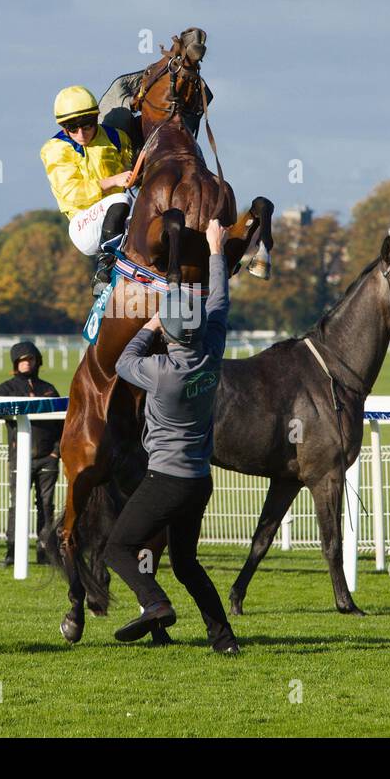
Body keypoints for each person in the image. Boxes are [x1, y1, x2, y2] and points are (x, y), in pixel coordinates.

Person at [105, 218, 239, 654]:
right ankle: (223, 640)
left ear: (170, 332)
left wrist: (150, 326)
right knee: (186, 563)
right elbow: (219, 300)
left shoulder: (163, 373)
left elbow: (123, 362)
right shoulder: (212, 351)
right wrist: (216, 252)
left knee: (118, 548)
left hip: (165, 480)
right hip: (199, 480)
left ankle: (155, 603)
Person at [40, 85, 136, 296]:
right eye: (72, 128)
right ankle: (103, 269)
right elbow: (73, 194)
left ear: (96, 118)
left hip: (121, 218)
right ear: (63, 127)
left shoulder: (118, 138)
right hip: (83, 225)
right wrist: (112, 181)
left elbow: (131, 172)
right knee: (120, 199)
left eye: (87, 125)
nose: (81, 134)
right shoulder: (55, 149)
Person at [0, 340, 62, 567]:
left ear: (37, 361)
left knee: (46, 505)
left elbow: (63, 424)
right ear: (15, 363)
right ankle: (12, 552)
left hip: (47, 458)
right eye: (21, 360)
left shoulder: (49, 390)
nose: (26, 363)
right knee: (17, 505)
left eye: (30, 359)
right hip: (18, 458)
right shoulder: (5, 390)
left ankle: (45, 551)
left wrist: (56, 452)